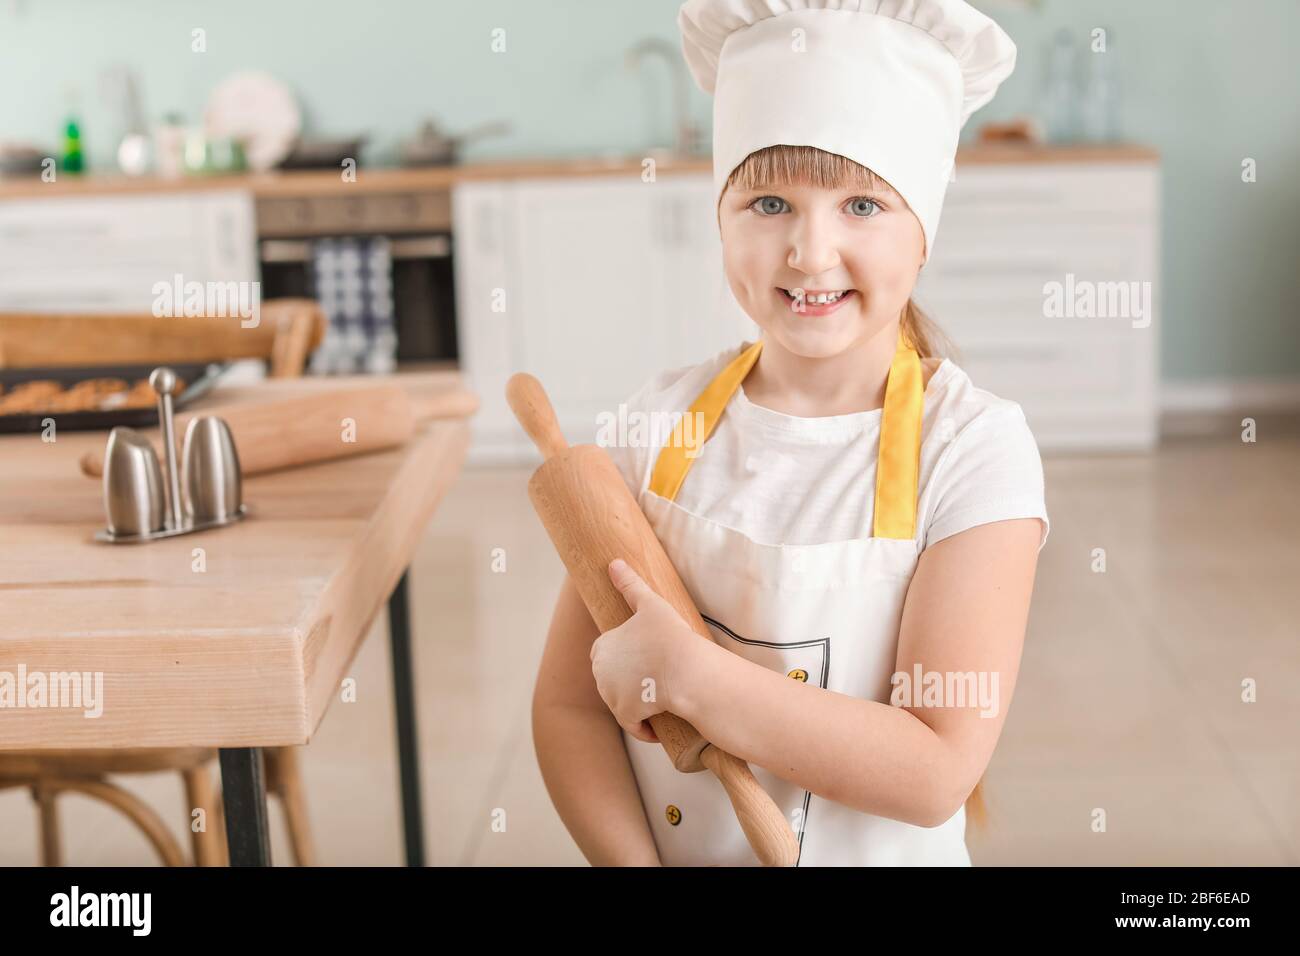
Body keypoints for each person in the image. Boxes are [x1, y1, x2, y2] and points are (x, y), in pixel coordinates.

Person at [533, 0, 1047, 866]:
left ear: (923, 233)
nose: (811, 252)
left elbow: (935, 772)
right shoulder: (654, 427)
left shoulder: (974, 454)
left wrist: (694, 678)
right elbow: (568, 711)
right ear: (720, 218)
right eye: (769, 201)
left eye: (862, 205)